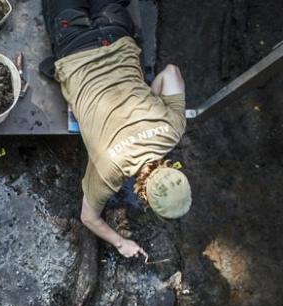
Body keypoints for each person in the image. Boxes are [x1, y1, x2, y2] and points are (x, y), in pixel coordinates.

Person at [41, 0, 191, 258]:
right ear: (143, 195)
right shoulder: (111, 170)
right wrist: (121, 243)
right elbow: (88, 218)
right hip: (74, 46)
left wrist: (149, 98)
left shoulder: (173, 129)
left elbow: (172, 73)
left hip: (116, 33)